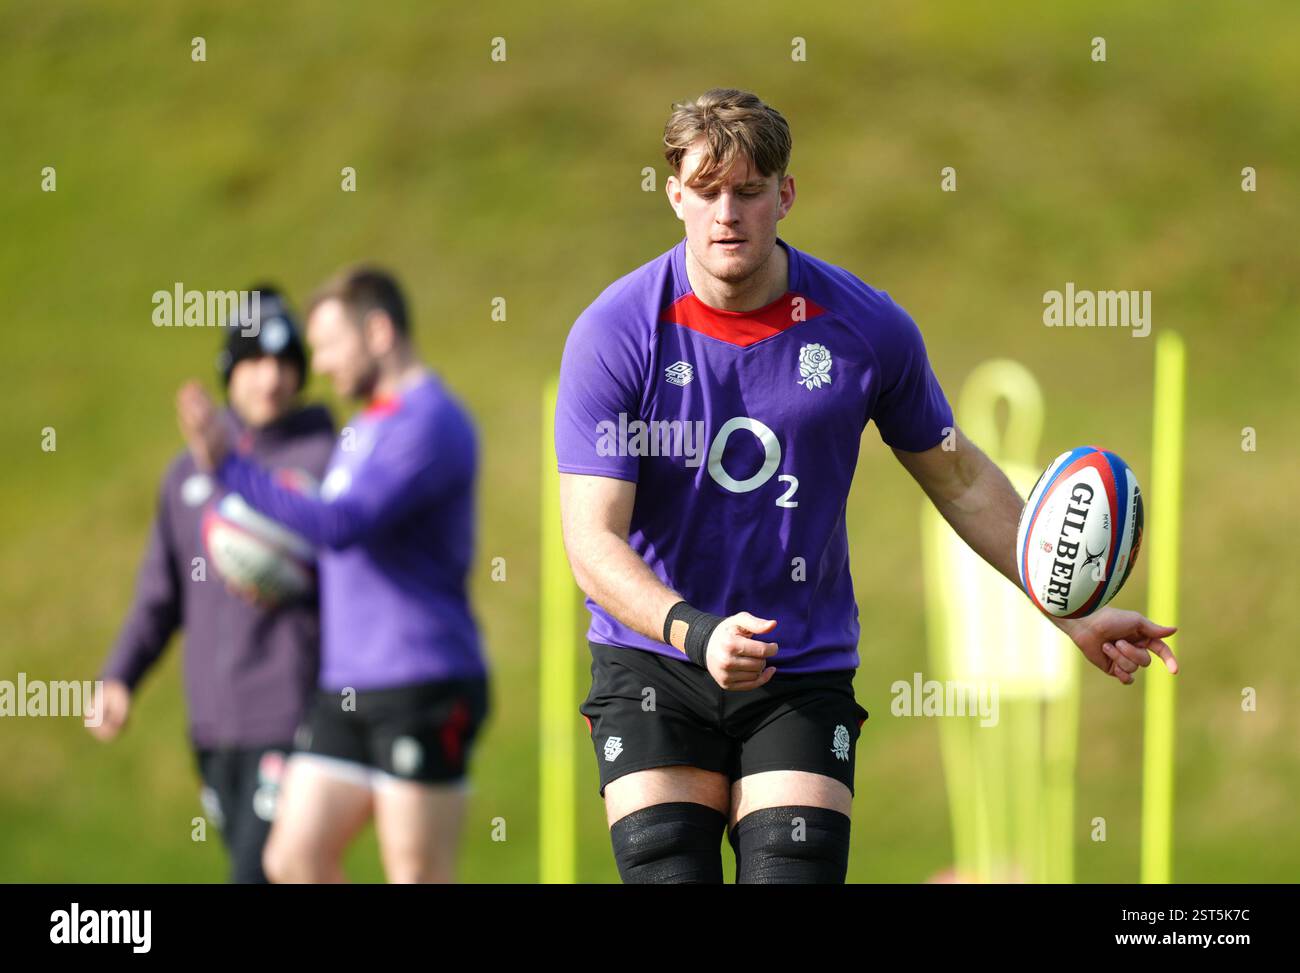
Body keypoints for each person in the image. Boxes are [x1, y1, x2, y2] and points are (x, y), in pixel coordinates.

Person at [554, 88, 1179, 884]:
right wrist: (695, 633)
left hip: (798, 665)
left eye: (748, 191)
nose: (726, 215)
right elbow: (591, 538)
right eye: (706, 191)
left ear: (785, 194)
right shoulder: (615, 334)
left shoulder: (866, 328)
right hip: (654, 663)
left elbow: (957, 475)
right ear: (674, 192)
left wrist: (1070, 608)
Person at [175, 266, 489, 884]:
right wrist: (266, 568)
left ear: (377, 332)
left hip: (421, 684)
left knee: (416, 874)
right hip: (345, 687)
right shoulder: (365, 426)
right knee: (292, 861)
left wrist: (230, 471)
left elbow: (342, 523)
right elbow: (322, 542)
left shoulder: (428, 421)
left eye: (327, 345)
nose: (318, 364)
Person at [91, 286, 335, 883]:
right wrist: (121, 675)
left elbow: (350, 580)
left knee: (257, 875)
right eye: (254, 361)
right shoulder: (185, 475)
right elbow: (160, 592)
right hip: (214, 726)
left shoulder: (324, 461)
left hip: (294, 716)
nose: (270, 378)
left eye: (284, 362)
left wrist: (297, 580)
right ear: (230, 370)